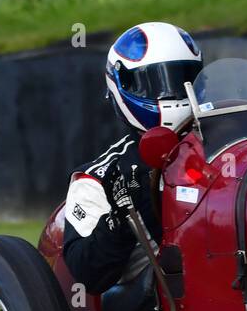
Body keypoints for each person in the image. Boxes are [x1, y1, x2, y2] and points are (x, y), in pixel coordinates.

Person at [63, 22, 203, 295]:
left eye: (181, 78)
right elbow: (86, 271)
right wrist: (120, 217)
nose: (170, 92)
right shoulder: (101, 176)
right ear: (120, 84)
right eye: (153, 82)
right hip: (163, 304)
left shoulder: (225, 136)